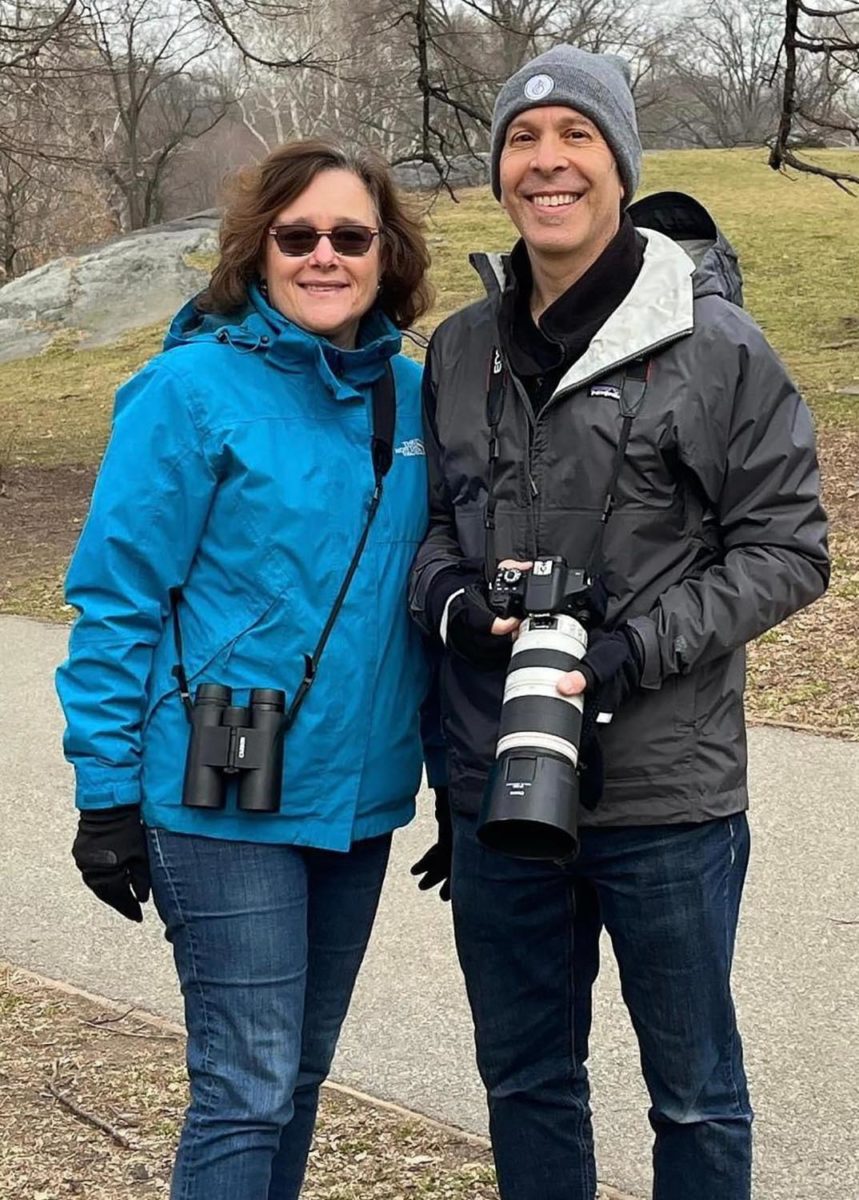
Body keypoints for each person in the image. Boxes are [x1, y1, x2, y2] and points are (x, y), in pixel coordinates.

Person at [409, 45, 829, 1200]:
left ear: (620, 162)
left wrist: (629, 647)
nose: (546, 163)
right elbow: (433, 522)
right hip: (497, 783)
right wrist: (447, 598)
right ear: (500, 171)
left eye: (574, 138)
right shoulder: (458, 348)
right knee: (525, 1078)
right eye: (523, 142)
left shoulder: (716, 345)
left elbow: (791, 551)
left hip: (665, 795)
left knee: (692, 1094)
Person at [56, 138, 443, 1199]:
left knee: (298, 1076)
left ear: (384, 253)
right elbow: (117, 601)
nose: (325, 256)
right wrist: (104, 795)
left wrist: (457, 781)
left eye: (350, 236)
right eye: (298, 235)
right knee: (246, 1082)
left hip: (358, 803)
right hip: (217, 798)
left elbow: (432, 606)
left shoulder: (418, 401)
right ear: (259, 251)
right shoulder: (186, 391)